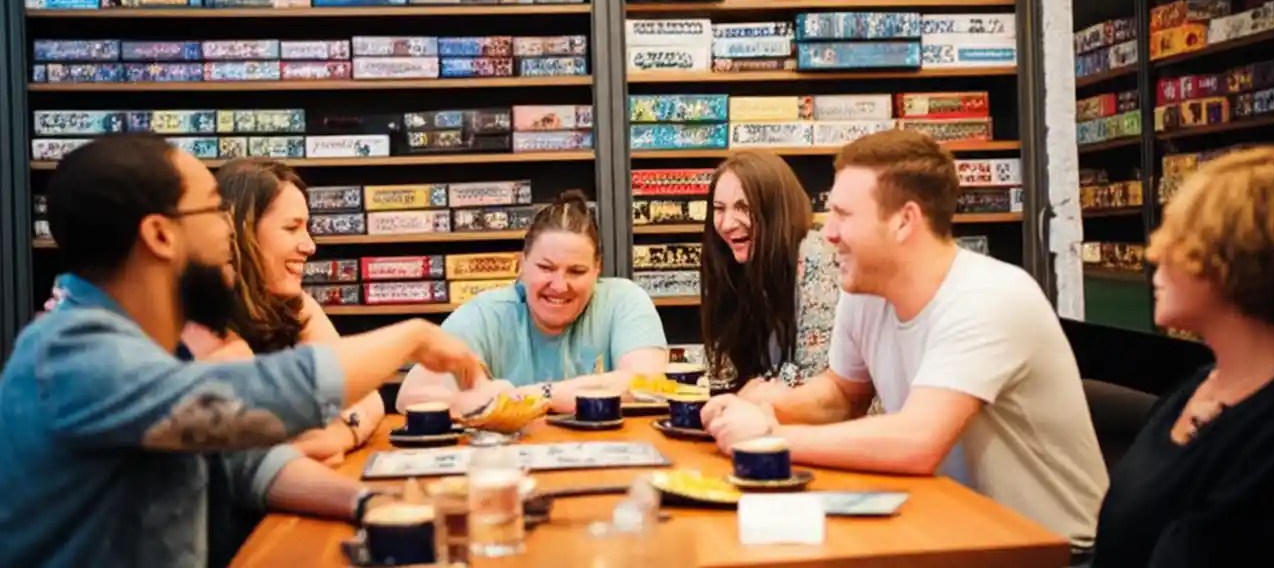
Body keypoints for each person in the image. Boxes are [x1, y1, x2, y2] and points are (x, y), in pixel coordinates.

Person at [0, 134, 482, 567]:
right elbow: (249, 402)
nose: (230, 229)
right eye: (212, 209)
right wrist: (412, 336)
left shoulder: (140, 344)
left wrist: (369, 505)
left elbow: (247, 463)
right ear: (159, 235)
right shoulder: (71, 353)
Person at [700, 130, 1108, 561]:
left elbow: (917, 440)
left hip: (1054, 552)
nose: (829, 232)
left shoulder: (988, 297)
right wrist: (759, 406)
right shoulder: (864, 290)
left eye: (843, 214)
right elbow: (842, 394)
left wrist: (770, 437)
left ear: (904, 221)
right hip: (947, 529)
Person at [1091, 147, 1274, 567]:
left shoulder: (1267, 437)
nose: (1154, 255)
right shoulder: (1198, 387)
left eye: (1180, 241)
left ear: (1237, 259)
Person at [179, 159, 385, 465]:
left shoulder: (294, 304)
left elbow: (366, 394)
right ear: (241, 231)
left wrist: (341, 433)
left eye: (307, 228)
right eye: (292, 228)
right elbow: (268, 434)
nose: (310, 245)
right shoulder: (200, 321)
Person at [397, 190, 669, 414]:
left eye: (576, 271)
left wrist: (536, 396)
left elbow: (649, 385)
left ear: (598, 269)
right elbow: (411, 398)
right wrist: (477, 402)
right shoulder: (485, 314)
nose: (560, 286)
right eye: (546, 268)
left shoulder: (624, 300)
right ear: (522, 264)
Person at [700, 151, 841, 391]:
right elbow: (722, 372)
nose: (727, 223)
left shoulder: (814, 256)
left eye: (743, 207)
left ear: (775, 210)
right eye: (719, 209)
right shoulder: (731, 266)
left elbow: (818, 378)